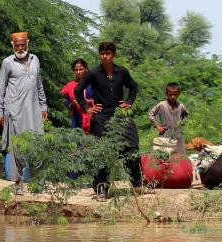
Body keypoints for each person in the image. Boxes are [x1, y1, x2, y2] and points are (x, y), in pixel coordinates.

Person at [76, 41, 142, 198]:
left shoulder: (122, 72)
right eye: (102, 54)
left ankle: (137, 184)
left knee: (131, 145)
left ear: (113, 55)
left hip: (119, 114)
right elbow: (78, 90)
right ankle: (101, 189)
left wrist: (129, 103)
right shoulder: (94, 73)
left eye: (108, 54)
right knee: (101, 151)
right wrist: (87, 108)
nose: (105, 56)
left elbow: (133, 87)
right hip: (102, 116)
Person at [0, 31, 49, 192]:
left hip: (34, 110)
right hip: (15, 111)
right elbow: (1, 89)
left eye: (22, 45)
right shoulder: (7, 62)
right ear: (13, 45)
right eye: (16, 45)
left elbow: (39, 84)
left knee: (38, 146)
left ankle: (39, 183)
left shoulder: (35, 60)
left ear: (27, 44)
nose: (20, 48)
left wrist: (43, 105)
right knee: (17, 149)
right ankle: (18, 184)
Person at [148, 82, 189, 154]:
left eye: (175, 95)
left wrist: (181, 125)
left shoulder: (181, 106)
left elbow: (186, 117)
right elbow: (151, 114)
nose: (172, 97)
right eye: (170, 95)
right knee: (164, 157)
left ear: (179, 94)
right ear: (166, 93)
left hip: (178, 136)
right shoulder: (162, 105)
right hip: (165, 134)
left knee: (180, 157)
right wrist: (157, 125)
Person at [59, 58, 93, 133]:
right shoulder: (70, 86)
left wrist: (89, 102)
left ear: (85, 69)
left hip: (92, 118)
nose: (78, 72)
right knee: (77, 141)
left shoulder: (92, 84)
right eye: (76, 70)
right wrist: (72, 105)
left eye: (81, 69)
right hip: (76, 119)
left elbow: (100, 99)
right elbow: (66, 102)